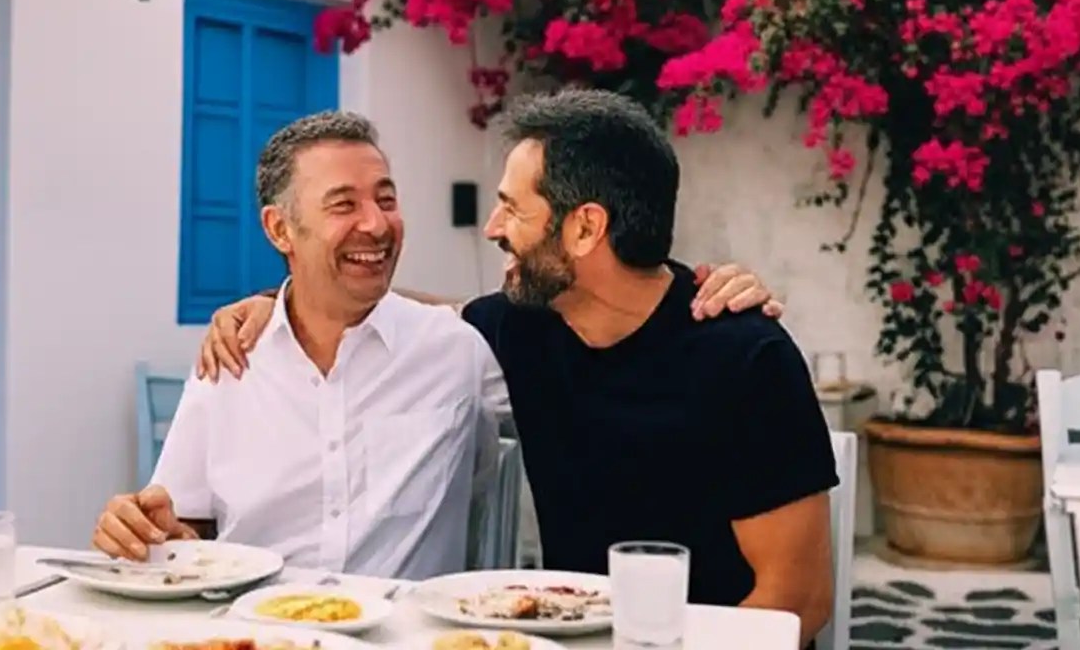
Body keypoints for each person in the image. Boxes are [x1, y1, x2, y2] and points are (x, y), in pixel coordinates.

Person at [200, 91, 836, 646]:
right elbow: (410, 313)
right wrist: (273, 302)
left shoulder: (747, 358)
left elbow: (799, 602)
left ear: (585, 228)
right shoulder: (520, 328)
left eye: (513, 208)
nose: (492, 227)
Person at [91, 112, 508, 580]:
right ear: (279, 229)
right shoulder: (232, 358)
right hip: (254, 631)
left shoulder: (456, 349)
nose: (375, 224)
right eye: (344, 205)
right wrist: (146, 533)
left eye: (386, 200)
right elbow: (181, 524)